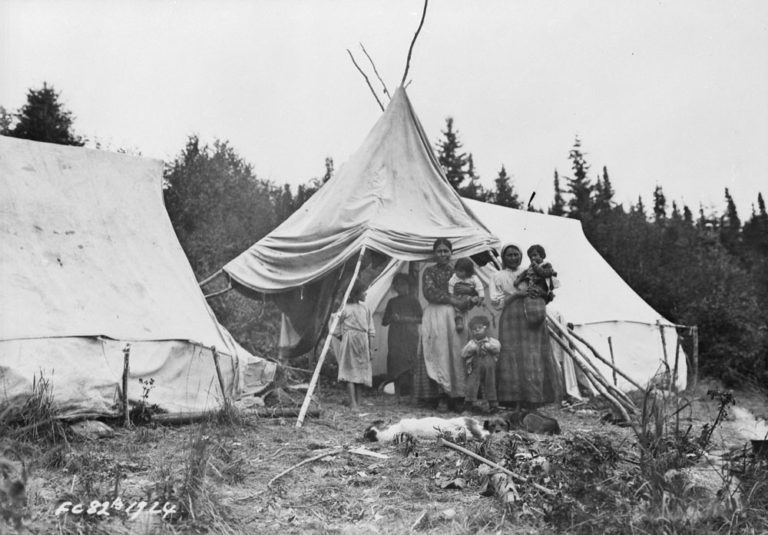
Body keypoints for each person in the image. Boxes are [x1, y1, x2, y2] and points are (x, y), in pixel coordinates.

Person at [491, 243, 563, 410]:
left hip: (532, 316)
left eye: (516, 254)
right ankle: (513, 400)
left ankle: (533, 399)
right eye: (509, 255)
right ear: (503, 258)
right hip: (511, 317)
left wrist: (541, 294)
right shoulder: (498, 276)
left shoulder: (532, 269)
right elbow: (496, 302)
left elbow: (549, 292)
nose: (513, 258)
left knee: (532, 354)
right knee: (512, 355)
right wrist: (517, 294)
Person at [412, 238, 466, 412]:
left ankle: (457, 396)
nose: (443, 254)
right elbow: (430, 292)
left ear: (451, 253)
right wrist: (451, 298)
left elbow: (465, 290)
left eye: (446, 251)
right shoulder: (429, 271)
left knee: (455, 353)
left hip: (454, 314)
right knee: (438, 352)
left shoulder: (457, 272)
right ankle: (441, 395)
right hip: (435, 314)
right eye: (439, 251)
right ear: (434, 254)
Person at [381, 273, 423, 404]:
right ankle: (397, 395)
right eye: (398, 285)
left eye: (403, 284)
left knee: (410, 365)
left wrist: (405, 319)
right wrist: (391, 318)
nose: (401, 287)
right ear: (395, 287)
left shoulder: (413, 301)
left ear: (408, 286)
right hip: (395, 336)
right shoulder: (391, 302)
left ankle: (412, 396)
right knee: (395, 363)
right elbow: (384, 322)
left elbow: (421, 318)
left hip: (410, 335)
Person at [333, 283, 375, 411]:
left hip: (363, 342)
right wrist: (345, 337)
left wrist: (370, 348)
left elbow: (370, 330)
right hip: (350, 341)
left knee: (361, 371)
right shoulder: (345, 309)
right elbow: (335, 327)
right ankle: (353, 403)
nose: (366, 294)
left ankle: (359, 402)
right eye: (363, 291)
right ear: (356, 293)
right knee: (350, 371)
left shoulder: (365, 309)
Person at [461, 315, 501, 413]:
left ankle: (493, 404)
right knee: (472, 384)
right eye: (474, 329)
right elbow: (463, 353)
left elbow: (497, 348)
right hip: (476, 368)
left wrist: (487, 345)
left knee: (490, 383)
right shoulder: (472, 343)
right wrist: (473, 348)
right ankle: (469, 404)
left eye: (480, 328)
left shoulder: (491, 341)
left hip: (489, 368)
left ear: (485, 328)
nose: (477, 330)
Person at [448, 257, 485, 332]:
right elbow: (450, 285)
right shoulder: (454, 277)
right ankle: (459, 322)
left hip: (470, 299)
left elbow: (479, 287)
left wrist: (481, 297)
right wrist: (451, 295)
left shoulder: (473, 278)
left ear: (468, 272)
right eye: (457, 270)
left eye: (461, 271)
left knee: (475, 299)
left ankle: (475, 300)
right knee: (458, 310)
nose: (458, 273)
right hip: (459, 298)